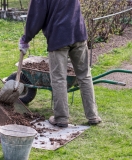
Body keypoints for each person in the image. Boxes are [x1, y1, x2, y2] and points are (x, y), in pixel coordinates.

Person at [19, 0, 101, 128]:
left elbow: (36, 16)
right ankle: (93, 116)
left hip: (59, 37)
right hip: (78, 32)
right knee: (84, 75)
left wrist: (26, 38)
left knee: (58, 78)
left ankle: (61, 118)